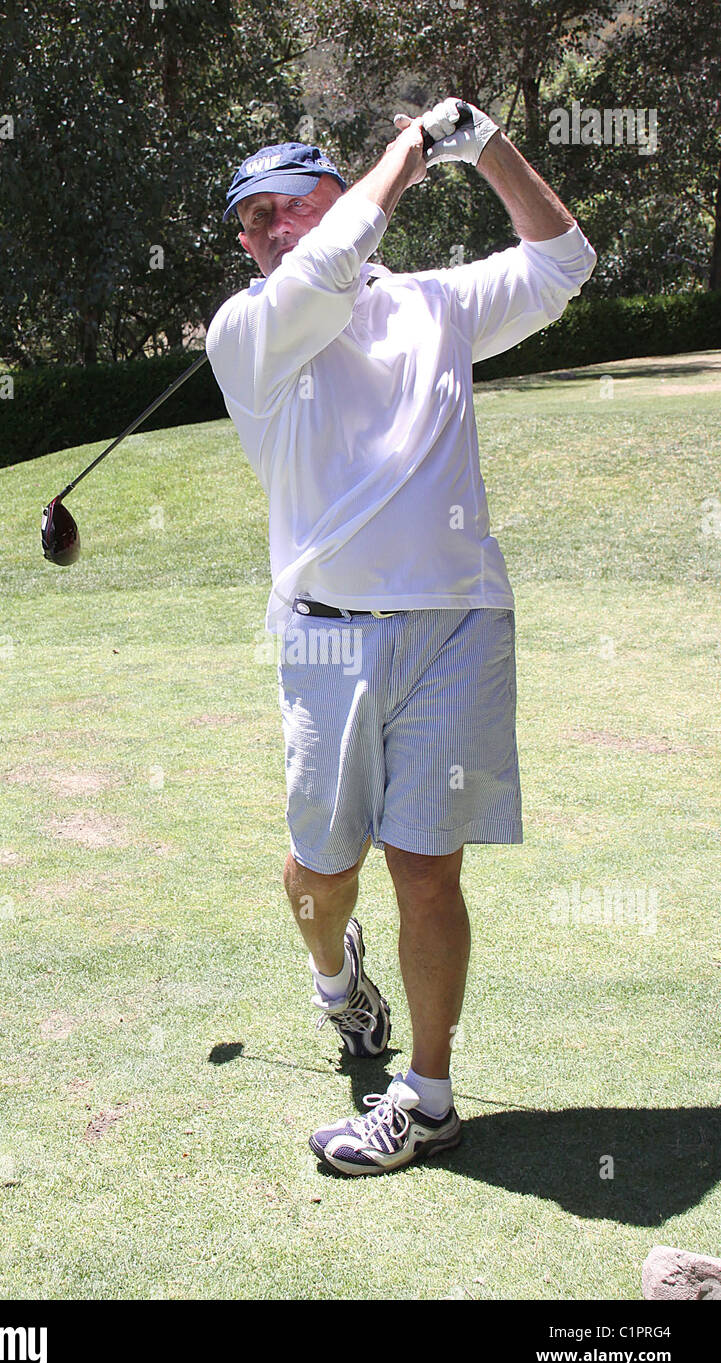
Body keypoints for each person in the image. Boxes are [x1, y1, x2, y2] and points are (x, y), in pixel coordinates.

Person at [205, 99, 596, 1175]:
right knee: (323, 871)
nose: (264, 231)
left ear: (339, 201)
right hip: (326, 642)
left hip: (458, 625)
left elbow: (563, 261)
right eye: (248, 222)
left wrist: (483, 146)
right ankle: (338, 978)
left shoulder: (437, 306)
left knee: (427, 869)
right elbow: (328, 266)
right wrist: (411, 149)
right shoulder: (249, 333)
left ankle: (427, 1097)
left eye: (285, 206)